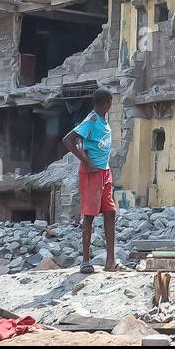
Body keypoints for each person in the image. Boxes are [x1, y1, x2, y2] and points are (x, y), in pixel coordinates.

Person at [63, 88, 119, 273]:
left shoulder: (104, 120)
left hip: (104, 172)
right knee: (89, 215)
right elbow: (69, 140)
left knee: (110, 212)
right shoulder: (92, 119)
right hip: (92, 173)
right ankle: (85, 260)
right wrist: (86, 161)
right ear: (108, 103)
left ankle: (110, 261)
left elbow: (85, 142)